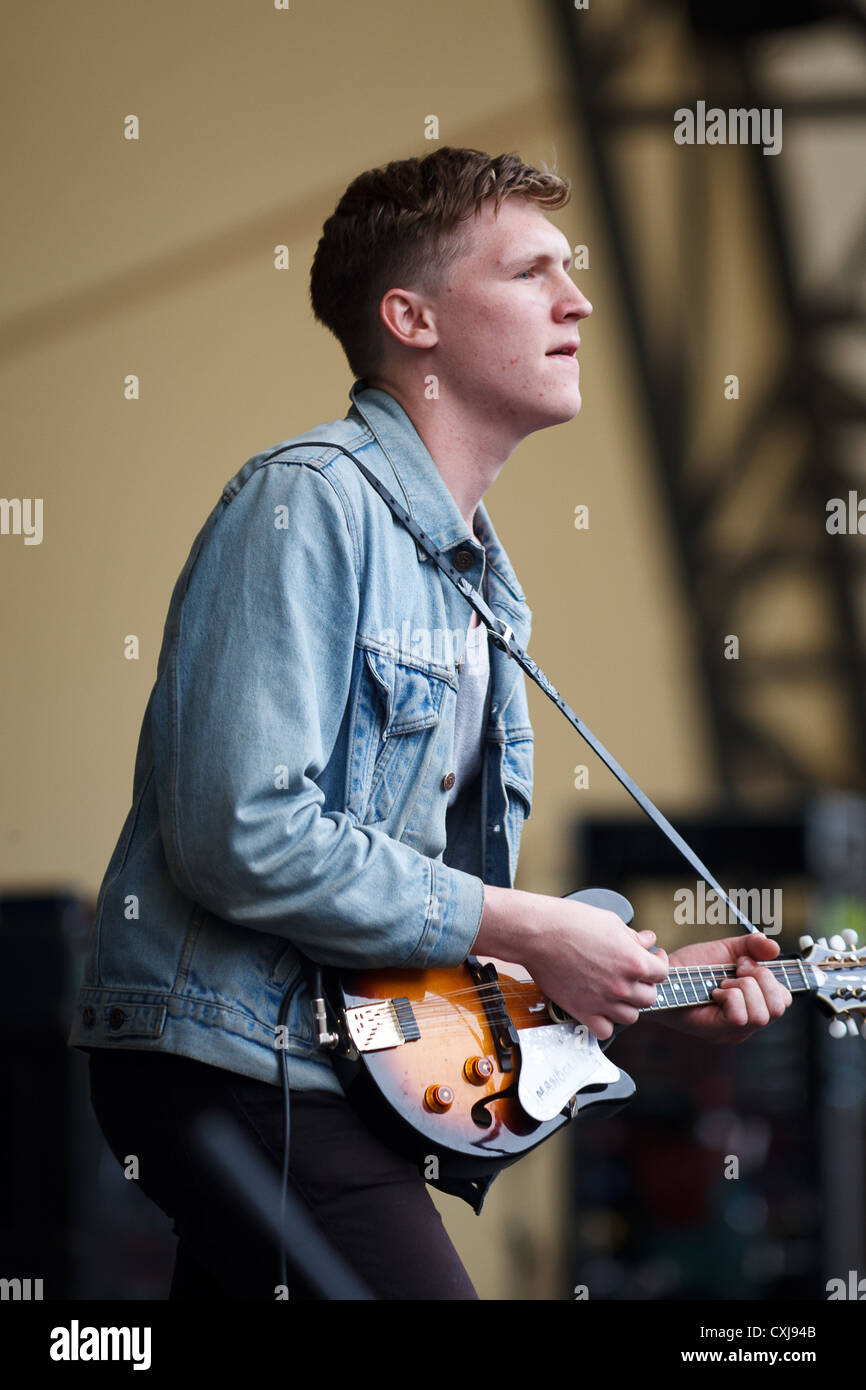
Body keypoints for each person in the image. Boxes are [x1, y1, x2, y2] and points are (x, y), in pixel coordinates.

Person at [68, 146, 793, 1301]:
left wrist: (640, 991)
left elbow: (420, 932)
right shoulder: (307, 501)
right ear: (409, 317)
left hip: (323, 1069)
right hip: (247, 1065)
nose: (579, 299)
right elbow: (242, 831)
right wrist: (544, 926)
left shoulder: (475, 584)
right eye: (530, 273)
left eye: (572, 270)